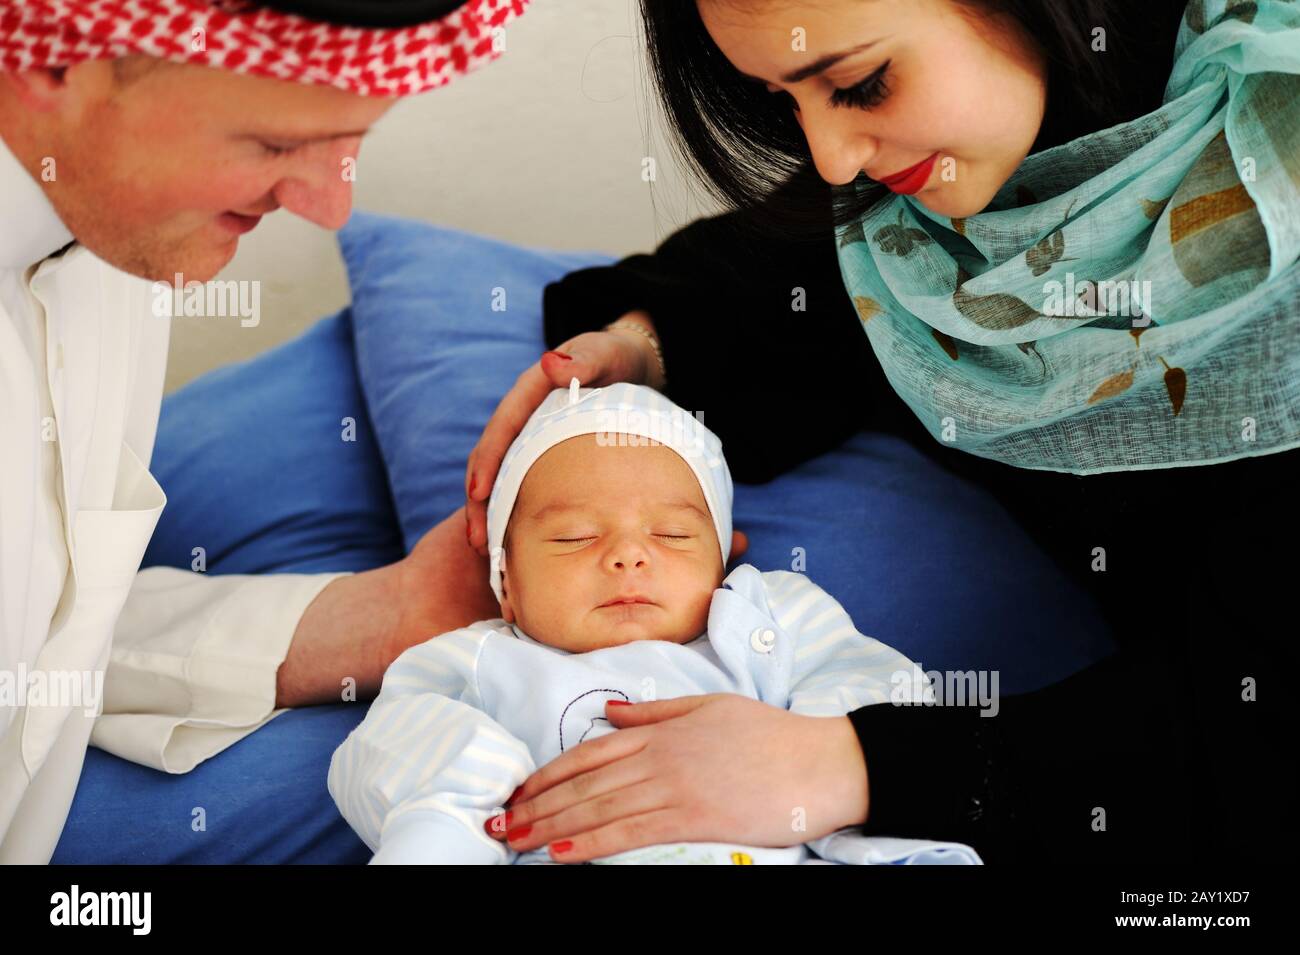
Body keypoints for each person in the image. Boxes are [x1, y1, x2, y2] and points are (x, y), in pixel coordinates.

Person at [464, 0, 1299, 863]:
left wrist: (851, 764)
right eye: (786, 100)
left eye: (860, 84)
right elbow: (787, 283)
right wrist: (636, 352)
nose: (829, 156)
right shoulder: (937, 204)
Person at [0, 0, 530, 864]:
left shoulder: (107, 221)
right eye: (276, 145)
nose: (331, 206)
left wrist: (392, 614)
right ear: (57, 65)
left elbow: (39, 630)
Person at [330, 381, 976, 865]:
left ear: (723, 560)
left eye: (671, 533)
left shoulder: (774, 615)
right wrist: (438, 833)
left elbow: (881, 702)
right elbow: (403, 755)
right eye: (573, 536)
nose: (628, 553)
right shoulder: (472, 661)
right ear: (508, 585)